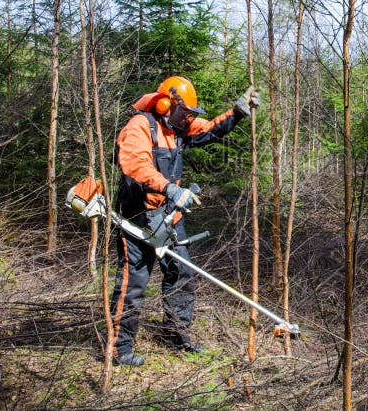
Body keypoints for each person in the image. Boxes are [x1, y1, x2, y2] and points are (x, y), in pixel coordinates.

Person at [110, 75, 259, 366]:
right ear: (166, 104)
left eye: (189, 115)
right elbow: (134, 164)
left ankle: (176, 335)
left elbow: (208, 130)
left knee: (182, 272)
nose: (186, 119)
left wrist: (238, 112)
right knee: (134, 283)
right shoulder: (140, 127)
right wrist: (170, 188)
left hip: (169, 216)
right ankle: (120, 348)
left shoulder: (177, 128)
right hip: (138, 217)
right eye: (183, 113)